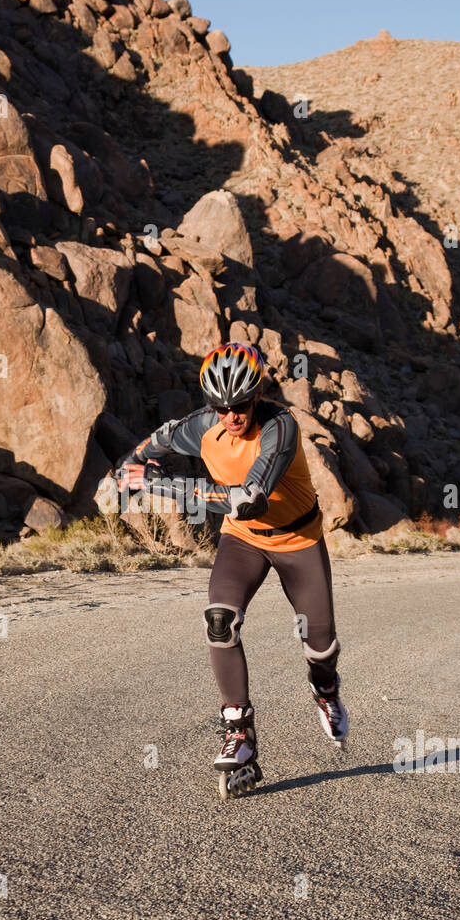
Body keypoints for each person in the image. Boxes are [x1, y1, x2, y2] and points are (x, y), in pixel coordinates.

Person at [116, 341, 347, 798]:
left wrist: (161, 484)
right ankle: (239, 731)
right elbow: (152, 444)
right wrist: (125, 470)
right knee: (219, 621)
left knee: (319, 648)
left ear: (257, 395)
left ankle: (325, 691)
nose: (230, 416)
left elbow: (246, 499)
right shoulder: (202, 426)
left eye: (239, 405)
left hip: (298, 540)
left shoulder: (280, 428)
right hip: (243, 542)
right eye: (220, 407)